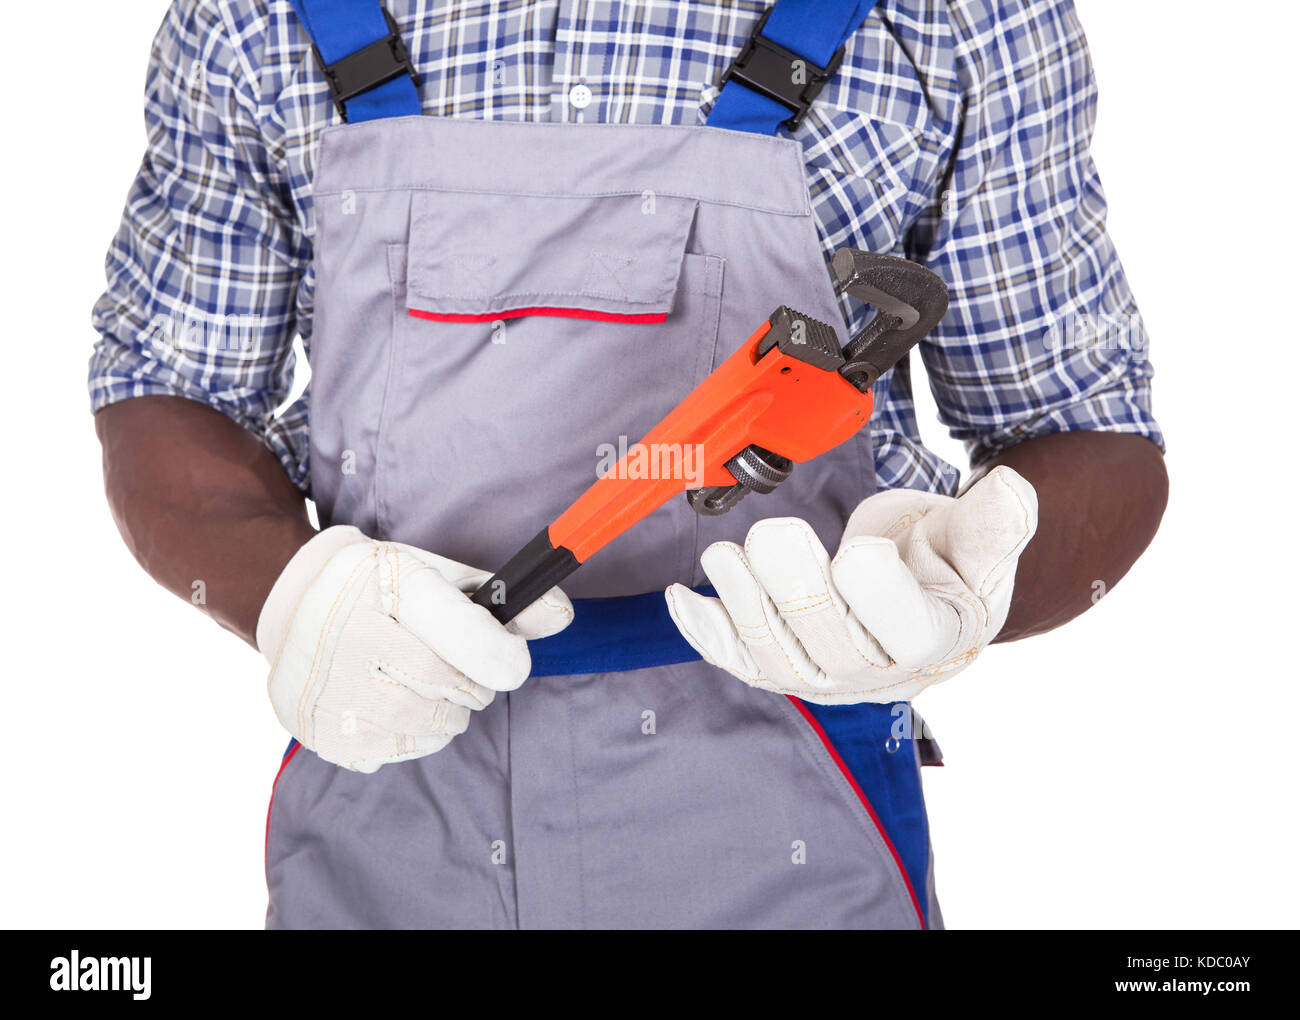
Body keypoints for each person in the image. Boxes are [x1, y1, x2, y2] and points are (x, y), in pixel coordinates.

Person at [91, 0, 1167, 929]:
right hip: (385, 779)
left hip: (792, 811)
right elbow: (167, 390)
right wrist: (290, 600)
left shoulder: (957, 20)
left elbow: (1085, 429)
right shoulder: (255, 19)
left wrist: (956, 592)